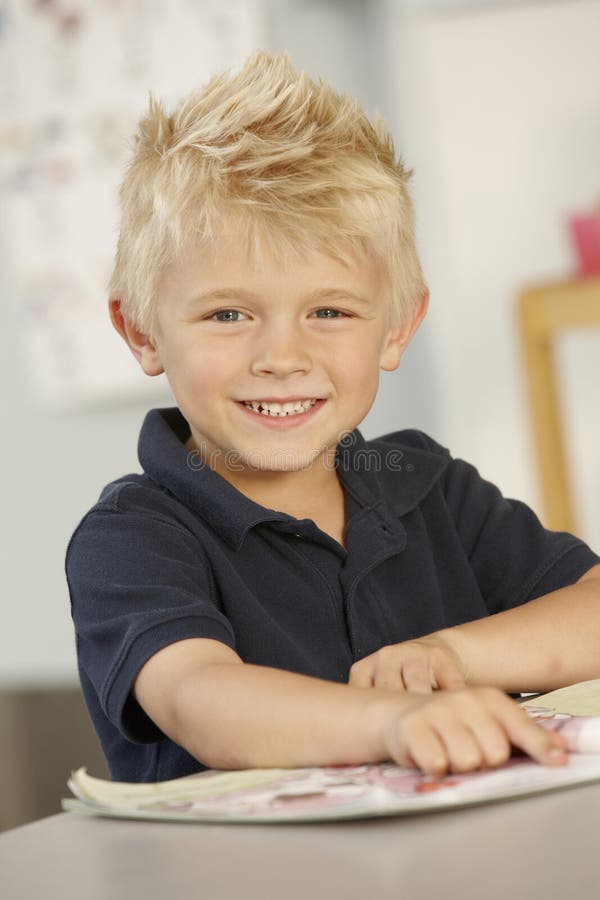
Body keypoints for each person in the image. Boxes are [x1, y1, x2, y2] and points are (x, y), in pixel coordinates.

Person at [66, 51, 600, 784]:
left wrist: (451, 657)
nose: (281, 356)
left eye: (329, 311)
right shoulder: (131, 539)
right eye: (228, 313)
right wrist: (393, 721)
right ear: (143, 333)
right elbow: (200, 700)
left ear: (397, 328)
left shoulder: (430, 487)